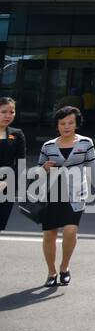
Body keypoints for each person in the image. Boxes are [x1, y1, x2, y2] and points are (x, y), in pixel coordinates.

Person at [38, 106, 95, 287]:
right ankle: (51, 272)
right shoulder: (48, 146)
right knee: (49, 234)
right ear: (57, 125)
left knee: (70, 230)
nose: (66, 126)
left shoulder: (85, 143)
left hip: (76, 193)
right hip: (52, 194)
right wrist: (44, 169)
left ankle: (65, 267)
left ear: (76, 123)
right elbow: (38, 171)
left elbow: (93, 167)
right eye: (62, 123)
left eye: (70, 123)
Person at [0, 97, 26, 233]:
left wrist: (7, 181)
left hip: (6, 188)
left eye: (12, 112)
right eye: (4, 112)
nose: (8, 115)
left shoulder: (17, 134)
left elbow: (21, 163)